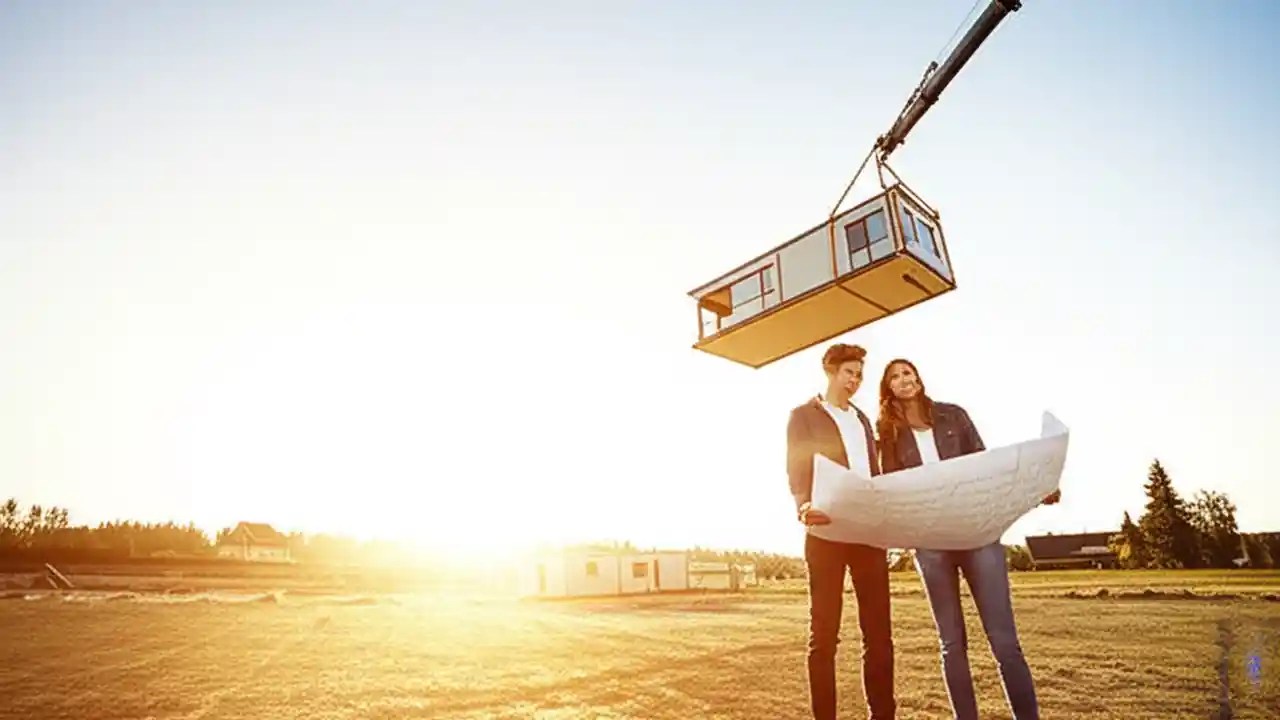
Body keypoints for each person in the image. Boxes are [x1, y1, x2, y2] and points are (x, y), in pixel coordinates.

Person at [875, 358, 1059, 720]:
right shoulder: (889, 433)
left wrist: (1036, 488)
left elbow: (987, 468)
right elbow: (892, 488)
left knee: (1005, 641)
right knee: (952, 644)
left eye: (907, 373)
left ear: (919, 378)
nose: (903, 380)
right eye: (894, 377)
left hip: (977, 534)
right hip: (930, 543)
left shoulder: (953, 416)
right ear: (888, 388)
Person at [787, 343, 895, 720]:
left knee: (879, 635)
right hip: (825, 533)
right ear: (830, 371)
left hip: (867, 533)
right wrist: (802, 503)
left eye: (860, 374)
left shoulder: (863, 420)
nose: (856, 380)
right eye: (850, 372)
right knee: (824, 636)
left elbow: (873, 471)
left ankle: (883, 715)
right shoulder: (804, 415)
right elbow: (796, 465)